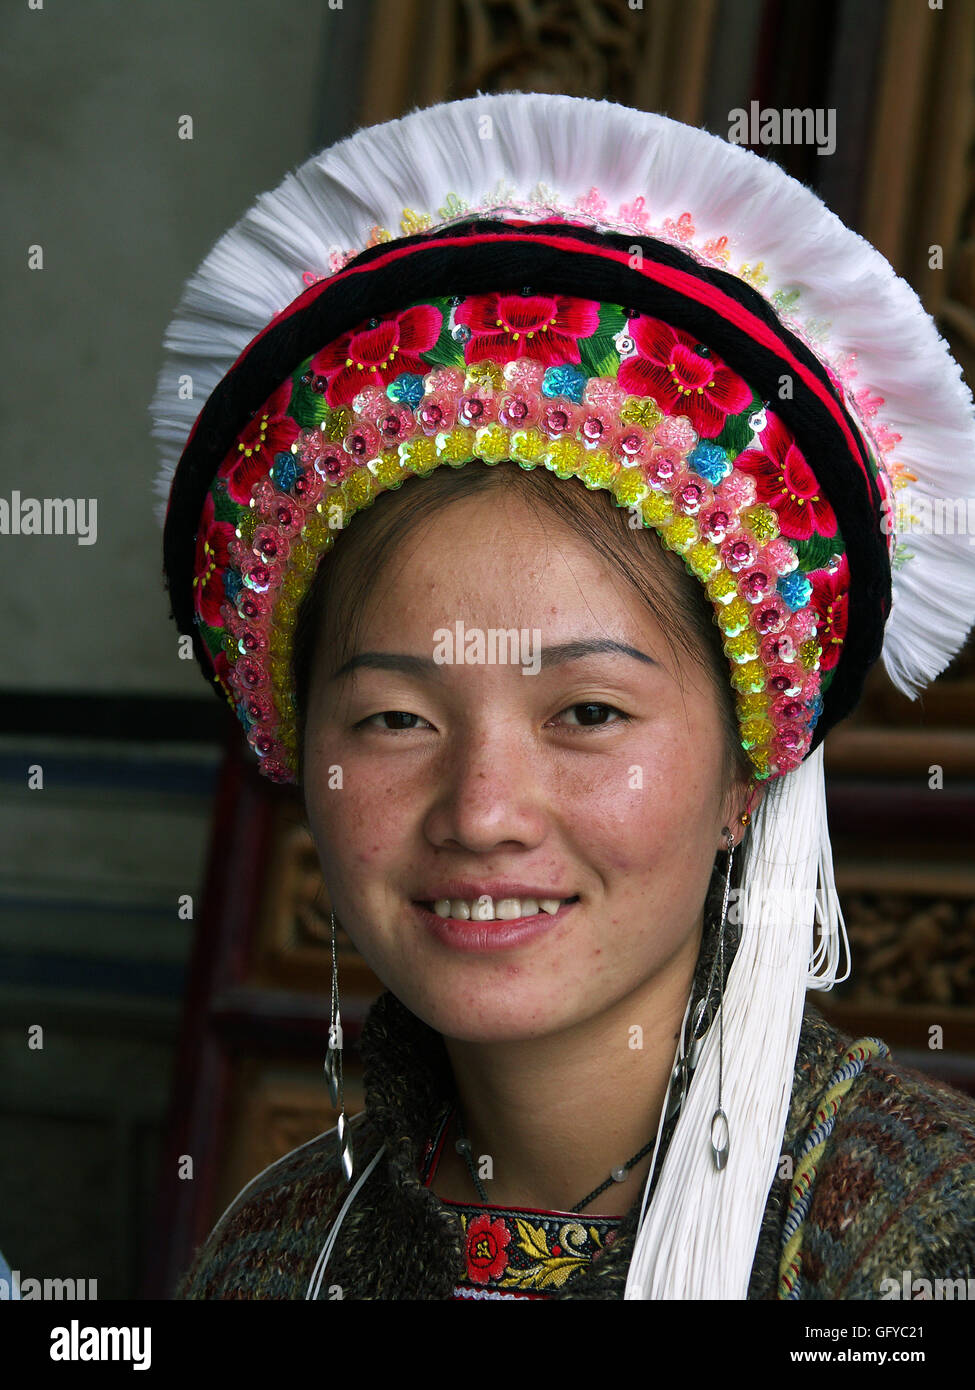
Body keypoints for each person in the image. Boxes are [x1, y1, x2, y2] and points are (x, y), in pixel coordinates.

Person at [151, 92, 975, 1300]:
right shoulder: (283, 1249)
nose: (482, 811)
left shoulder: (906, 1242)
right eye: (397, 718)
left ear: (749, 771)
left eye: (586, 712)